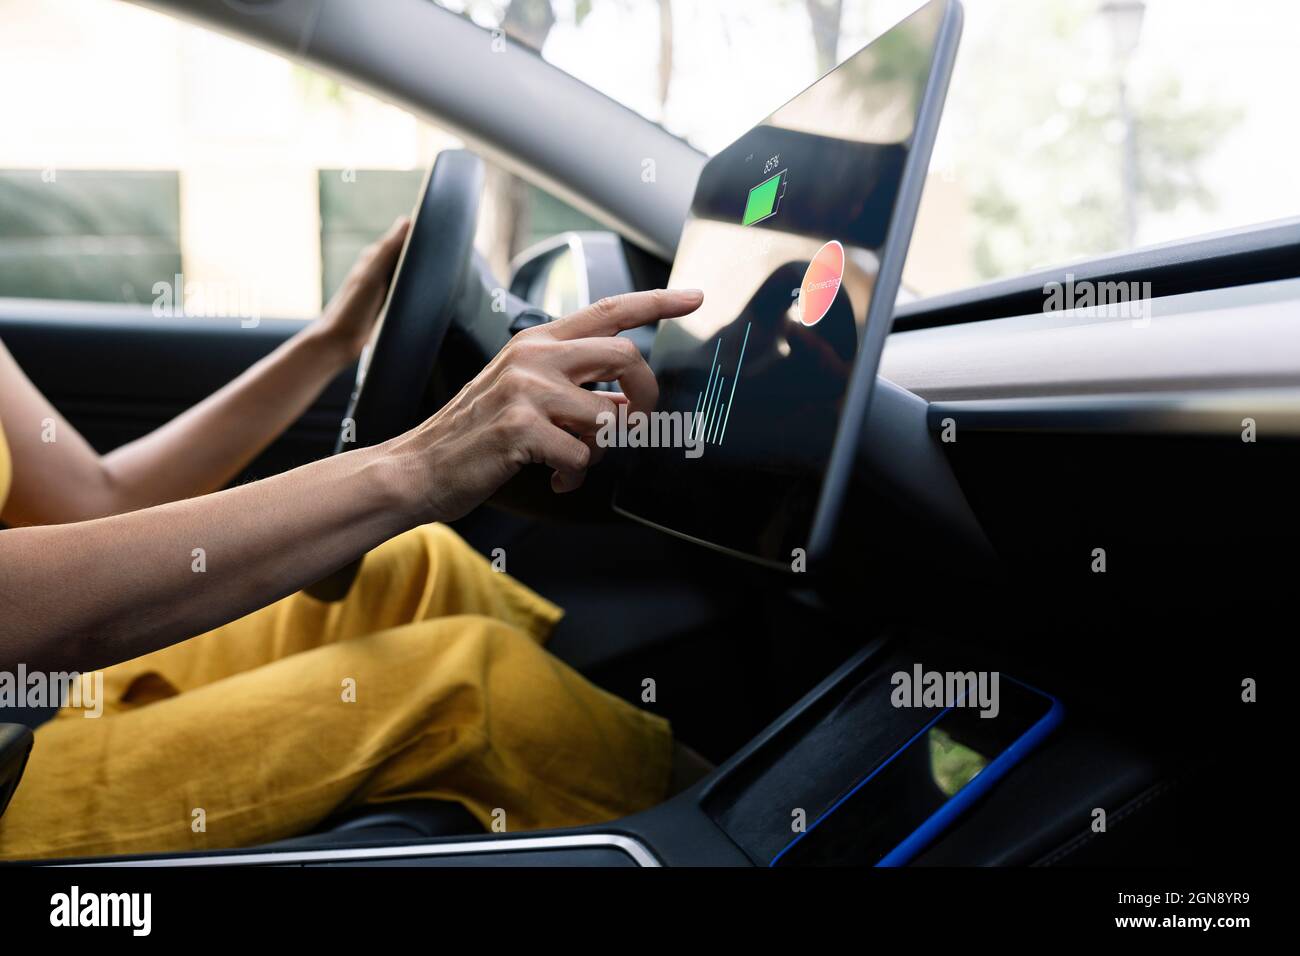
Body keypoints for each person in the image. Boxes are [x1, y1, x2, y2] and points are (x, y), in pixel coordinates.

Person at [0, 217, 707, 859]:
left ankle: (597, 783)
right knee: (468, 689)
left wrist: (333, 341)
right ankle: (727, 829)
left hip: (37, 687)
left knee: (415, 565)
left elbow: (87, 501)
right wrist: (419, 466)